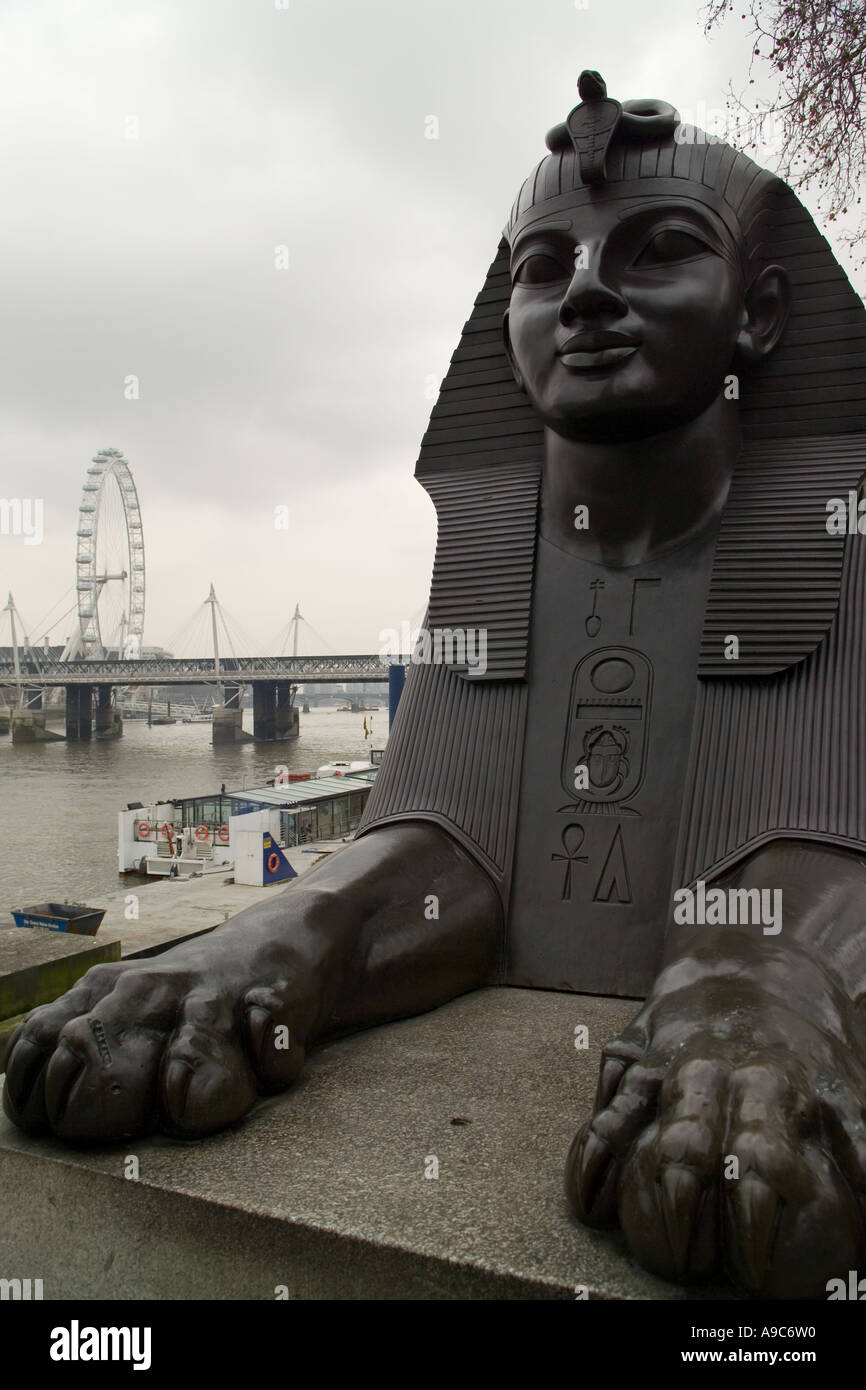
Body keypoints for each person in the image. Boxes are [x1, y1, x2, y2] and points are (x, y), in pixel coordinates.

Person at [5, 73, 866, 1300]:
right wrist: (275, 941)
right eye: (539, 266)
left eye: (658, 251)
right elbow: (448, 858)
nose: (582, 293)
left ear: (761, 315)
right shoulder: (493, 550)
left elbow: (831, 850)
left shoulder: (837, 532)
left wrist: (750, 990)